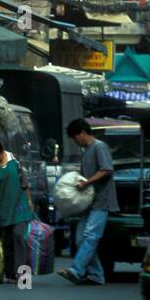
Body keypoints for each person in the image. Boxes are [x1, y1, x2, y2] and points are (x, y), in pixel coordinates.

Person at [59, 119, 117, 285]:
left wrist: (87, 182)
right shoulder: (86, 151)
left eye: (75, 138)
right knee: (80, 239)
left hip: (101, 201)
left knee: (90, 237)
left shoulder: (99, 147)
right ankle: (96, 274)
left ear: (82, 133)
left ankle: (76, 270)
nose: (76, 142)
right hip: (89, 202)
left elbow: (107, 169)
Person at [0, 139, 34, 284]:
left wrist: (29, 201)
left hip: (20, 207)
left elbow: (24, 182)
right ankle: (10, 274)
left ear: (2, 151)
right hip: (2, 210)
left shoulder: (14, 161)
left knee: (19, 236)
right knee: (7, 244)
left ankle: (24, 275)